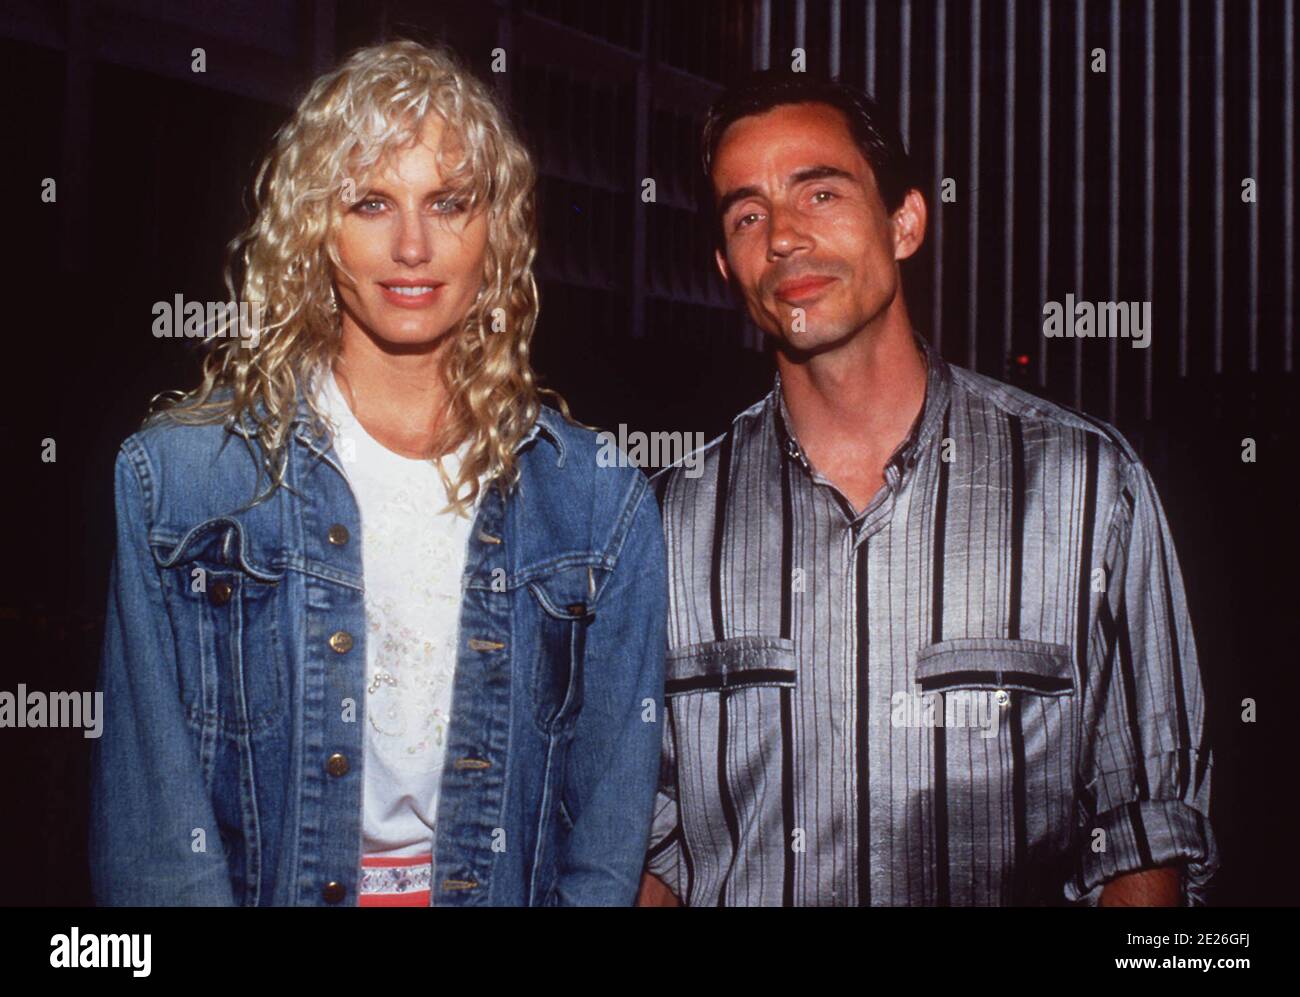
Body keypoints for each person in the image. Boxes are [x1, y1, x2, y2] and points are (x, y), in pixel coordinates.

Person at [89, 39, 666, 907]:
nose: (411, 244)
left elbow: (607, 836)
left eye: (448, 202)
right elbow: (156, 839)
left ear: (496, 229)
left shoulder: (594, 498)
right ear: (318, 228)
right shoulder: (180, 482)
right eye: (370, 202)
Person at [638, 71, 1217, 906]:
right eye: (749, 214)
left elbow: (1143, 833)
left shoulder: (1088, 489)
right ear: (727, 267)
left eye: (821, 193)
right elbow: (652, 849)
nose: (786, 238)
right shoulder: (665, 523)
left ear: (905, 221)